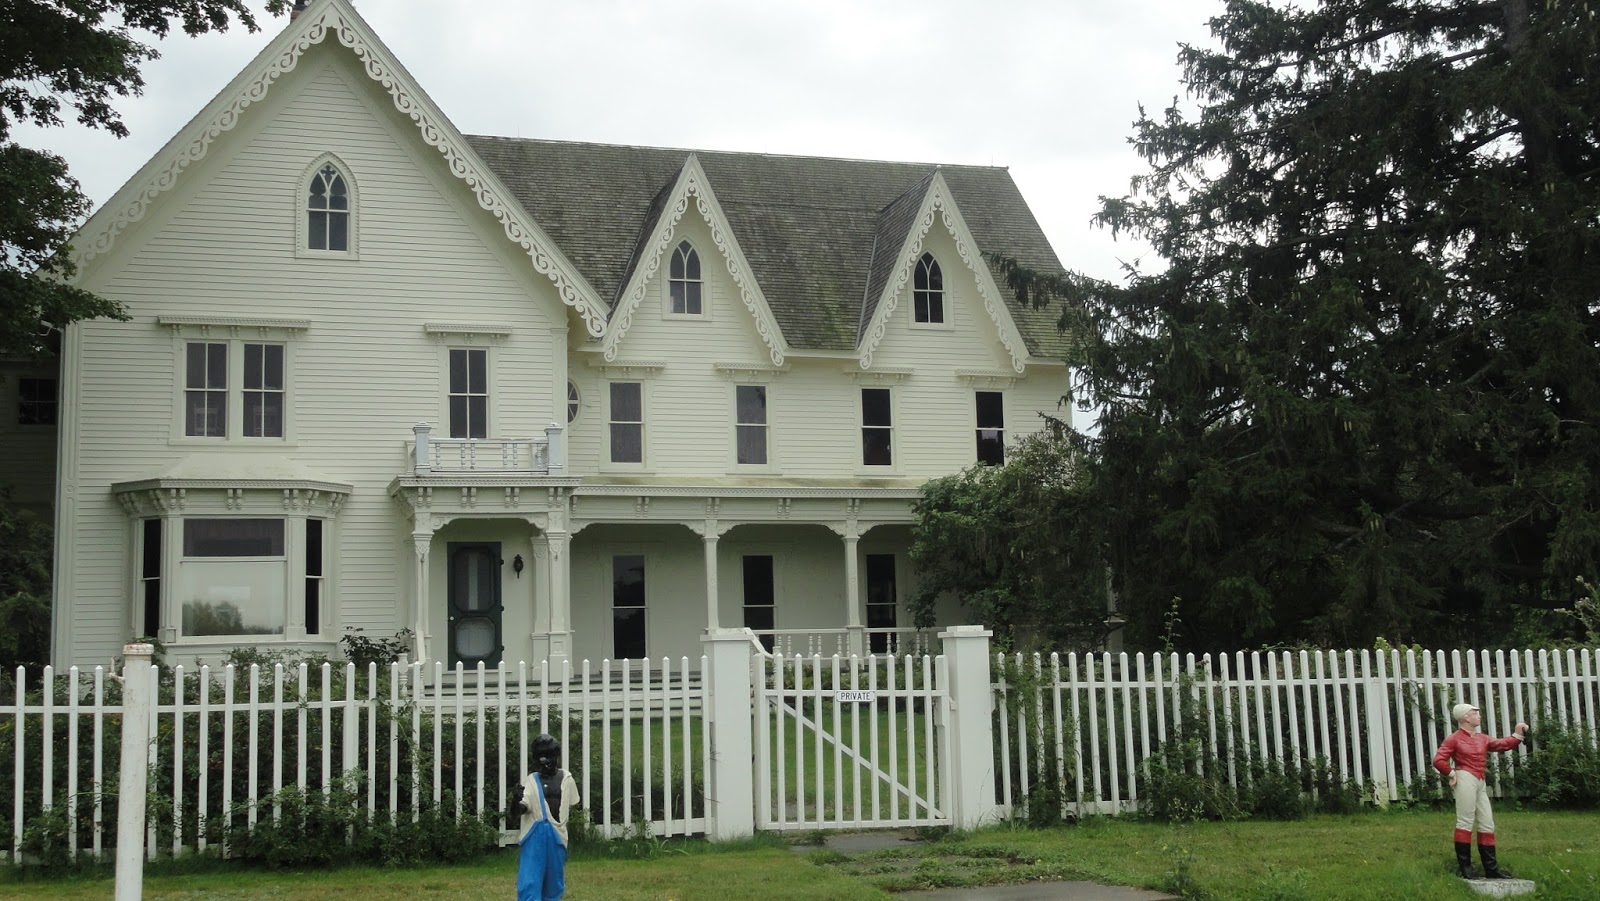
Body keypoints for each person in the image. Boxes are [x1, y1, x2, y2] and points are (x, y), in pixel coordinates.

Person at [1432, 702, 1527, 879]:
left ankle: (1491, 869)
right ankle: (1465, 868)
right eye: (1475, 713)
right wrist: (1452, 773)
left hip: (1480, 781)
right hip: (1465, 777)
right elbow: (1438, 760)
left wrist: (1518, 734)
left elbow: (1501, 744)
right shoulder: (1453, 738)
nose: (1479, 716)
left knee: (1487, 822)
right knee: (1465, 821)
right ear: (1465, 717)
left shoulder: (1482, 738)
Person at [512, 733, 580, 901]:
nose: (545, 764)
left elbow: (572, 802)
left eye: (549, 758)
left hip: (557, 835)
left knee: (554, 882)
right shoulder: (532, 781)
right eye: (541, 759)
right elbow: (518, 811)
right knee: (529, 881)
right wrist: (515, 799)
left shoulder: (567, 779)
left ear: (555, 757)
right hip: (534, 835)